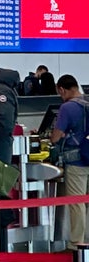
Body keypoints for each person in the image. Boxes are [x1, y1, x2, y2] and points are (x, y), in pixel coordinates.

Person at [51, 74, 89, 251]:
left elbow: (55, 137)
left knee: (77, 202)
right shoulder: (87, 102)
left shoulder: (67, 107)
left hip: (76, 161)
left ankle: (76, 244)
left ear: (62, 89)